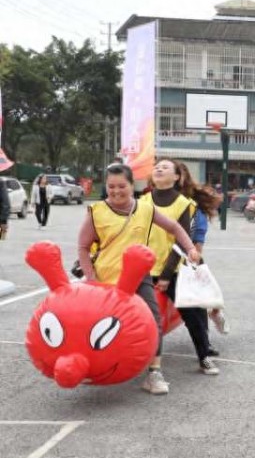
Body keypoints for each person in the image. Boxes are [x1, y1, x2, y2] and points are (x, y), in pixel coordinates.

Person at [77, 164, 201, 395]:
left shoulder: (145, 208)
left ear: (132, 186)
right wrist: (91, 279)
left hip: (138, 277)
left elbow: (174, 227)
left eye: (121, 186)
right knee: (95, 326)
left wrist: (190, 248)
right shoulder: (96, 211)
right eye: (111, 186)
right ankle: (93, 367)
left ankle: (154, 373)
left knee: (153, 320)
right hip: (105, 281)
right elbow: (83, 247)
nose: (116, 191)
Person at [142, 159, 220, 376]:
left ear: (177, 177)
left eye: (165, 167)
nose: (158, 168)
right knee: (139, 315)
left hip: (173, 269)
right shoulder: (142, 202)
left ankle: (204, 356)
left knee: (193, 314)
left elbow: (180, 241)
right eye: (156, 166)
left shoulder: (186, 205)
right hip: (144, 269)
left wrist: (166, 275)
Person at [174, 161, 228, 346]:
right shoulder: (153, 199)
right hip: (163, 255)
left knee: (199, 296)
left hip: (188, 255)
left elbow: (198, 239)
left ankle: (214, 313)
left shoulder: (192, 205)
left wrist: (193, 259)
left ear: (180, 178)